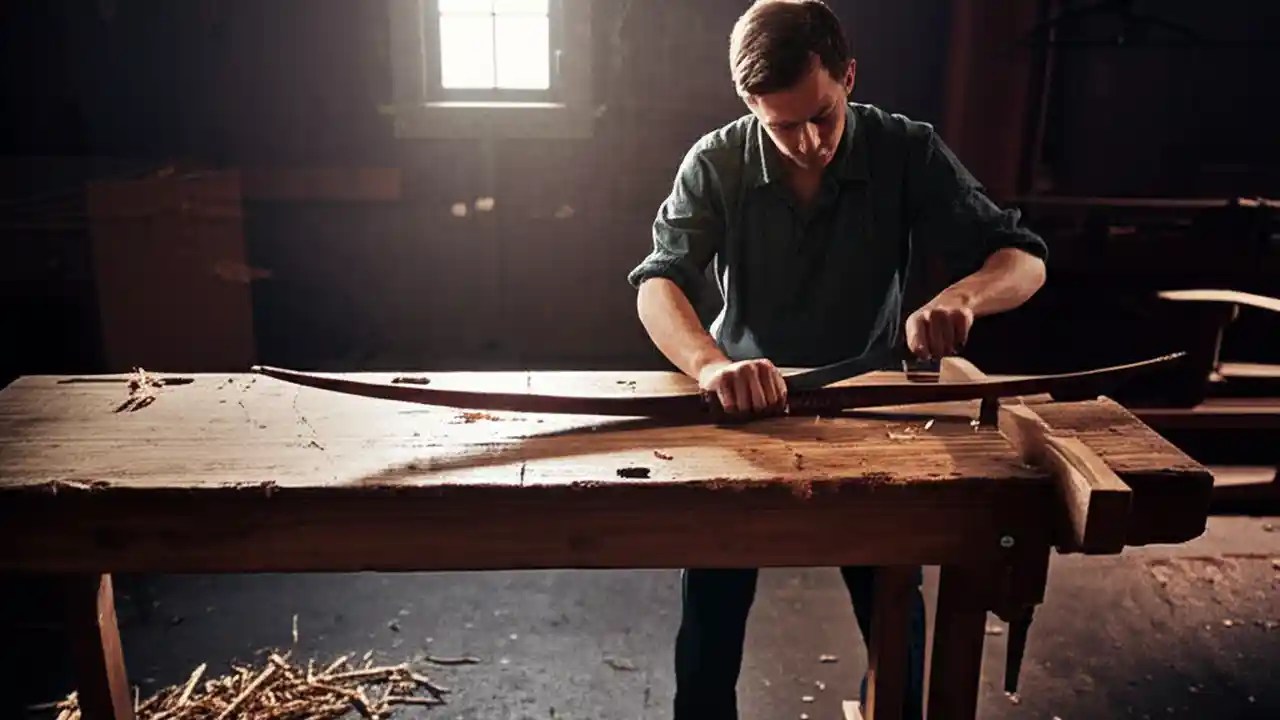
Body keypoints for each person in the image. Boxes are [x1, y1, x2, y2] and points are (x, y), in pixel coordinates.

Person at [625, 1, 1048, 718]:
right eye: (782, 125)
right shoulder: (717, 160)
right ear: (749, 104)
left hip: (870, 410)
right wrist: (709, 367)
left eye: (822, 114)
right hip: (746, 411)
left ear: (848, 75)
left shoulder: (904, 148)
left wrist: (966, 299)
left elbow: (1024, 258)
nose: (809, 142)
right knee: (710, 623)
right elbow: (657, 283)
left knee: (895, 614)